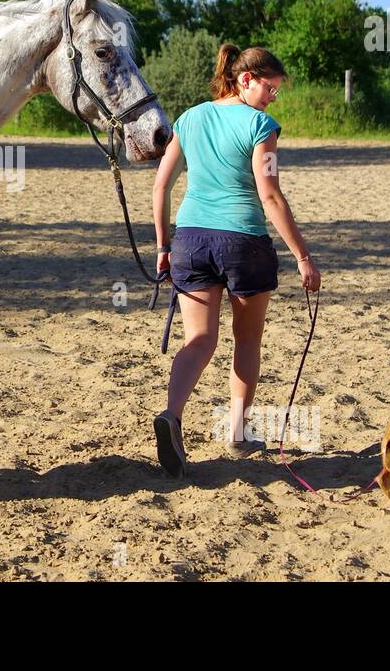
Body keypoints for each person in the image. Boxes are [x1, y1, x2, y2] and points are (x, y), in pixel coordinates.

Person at [149, 43, 321, 478]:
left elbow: (161, 186)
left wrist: (163, 246)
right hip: (243, 241)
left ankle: (172, 415)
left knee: (199, 340)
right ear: (245, 79)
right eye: (269, 87)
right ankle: (239, 433)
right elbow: (269, 194)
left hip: (190, 240)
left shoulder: (189, 118)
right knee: (247, 342)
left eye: (276, 91)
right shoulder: (261, 124)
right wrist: (303, 256)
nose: (271, 97)